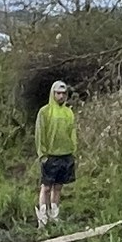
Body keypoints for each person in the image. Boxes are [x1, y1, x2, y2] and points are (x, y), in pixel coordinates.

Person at [35, 80, 76, 227]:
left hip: (65, 155)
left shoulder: (68, 112)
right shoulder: (44, 112)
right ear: (53, 94)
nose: (61, 96)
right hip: (50, 155)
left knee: (58, 187)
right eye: (58, 93)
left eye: (63, 93)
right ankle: (42, 217)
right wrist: (42, 154)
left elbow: (72, 132)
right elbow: (40, 133)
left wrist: (73, 151)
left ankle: (54, 215)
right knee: (46, 187)